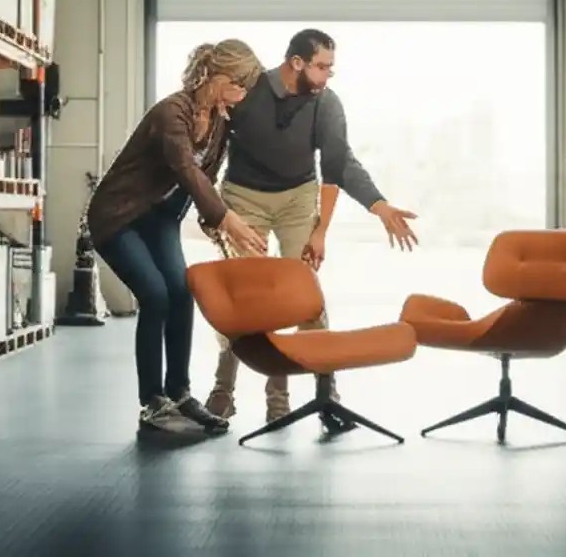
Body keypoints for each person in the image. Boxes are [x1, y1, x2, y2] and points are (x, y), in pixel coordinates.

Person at [203, 28, 419, 428]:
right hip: (243, 198)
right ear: (296, 63)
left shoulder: (326, 103)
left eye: (331, 68)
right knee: (248, 300)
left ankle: (325, 394)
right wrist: (214, 214)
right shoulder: (248, 91)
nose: (327, 76)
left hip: (298, 200)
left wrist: (375, 207)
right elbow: (211, 151)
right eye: (321, 67)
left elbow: (338, 166)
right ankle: (223, 392)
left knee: (304, 297)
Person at [86, 39, 269, 434]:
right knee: (155, 295)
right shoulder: (173, 112)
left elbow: (205, 180)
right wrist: (228, 220)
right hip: (119, 217)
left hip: (160, 220)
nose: (243, 97)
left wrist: (215, 229)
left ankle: (180, 394)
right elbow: (186, 169)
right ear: (221, 79)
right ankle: (152, 402)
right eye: (240, 87)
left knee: (181, 293)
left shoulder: (220, 122)